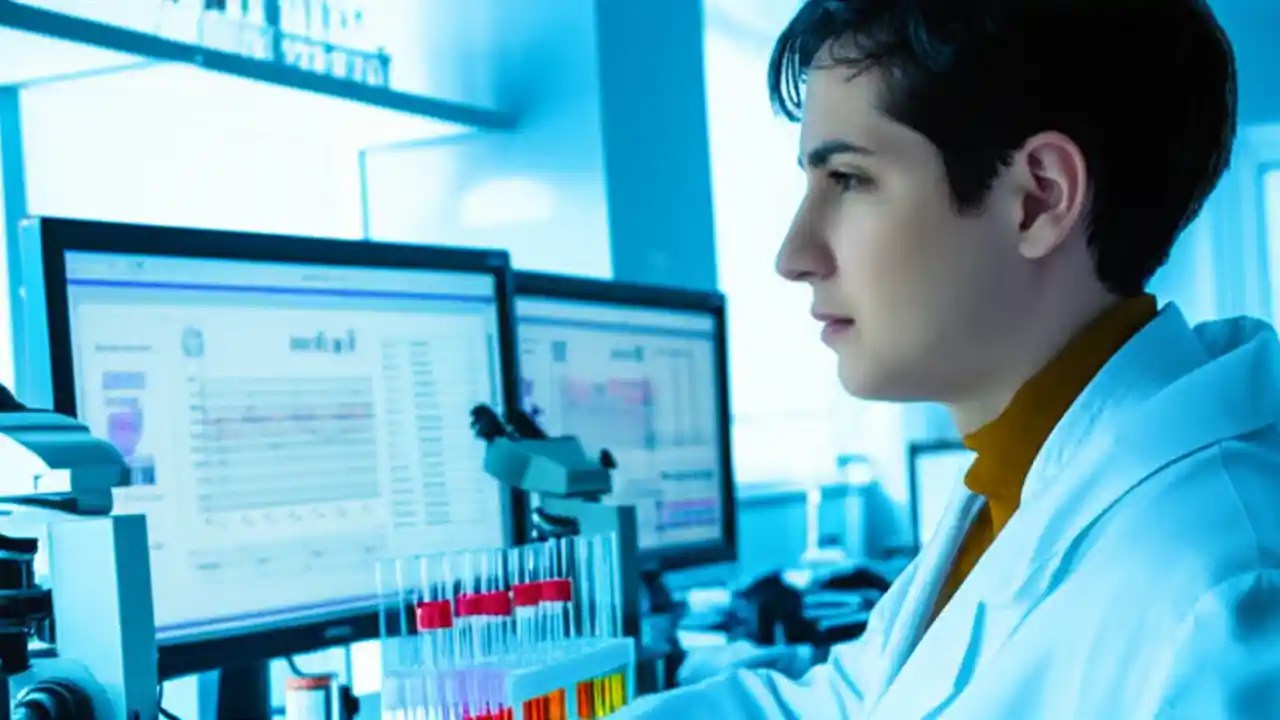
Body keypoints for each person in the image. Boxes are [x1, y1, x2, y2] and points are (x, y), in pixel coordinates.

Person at [621, 0, 1280, 717]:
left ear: (1036, 200)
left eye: (847, 179)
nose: (793, 256)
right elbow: (852, 705)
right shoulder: (1018, 479)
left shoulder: (1214, 601)